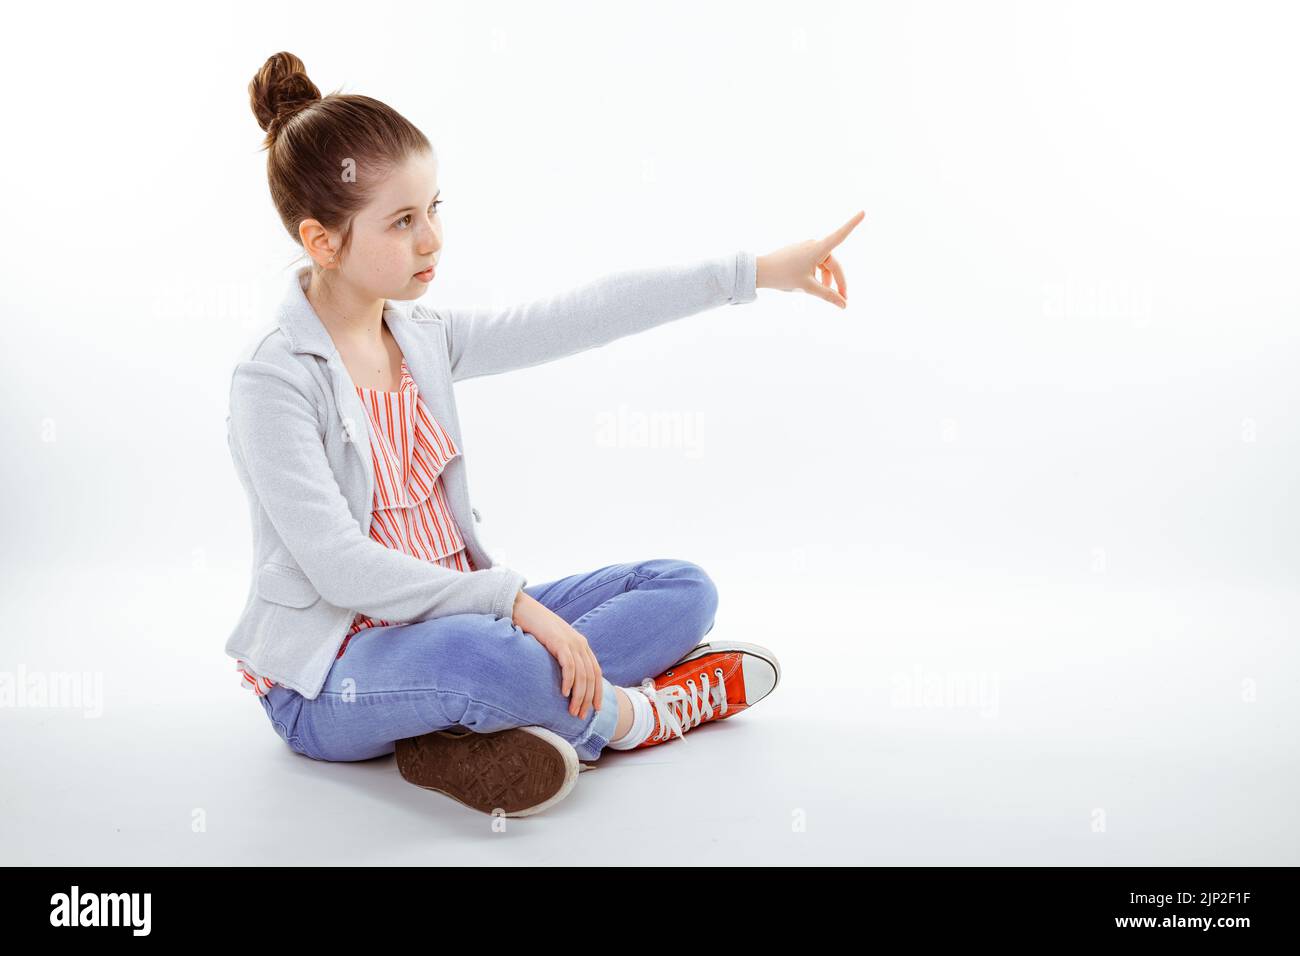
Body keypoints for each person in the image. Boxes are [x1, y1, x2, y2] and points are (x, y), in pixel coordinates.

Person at [229, 51, 862, 818]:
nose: (432, 239)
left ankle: (471, 730)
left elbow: (581, 315)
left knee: (682, 589)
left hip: (470, 622)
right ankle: (640, 717)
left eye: (434, 208)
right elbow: (340, 568)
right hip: (333, 678)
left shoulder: (423, 337)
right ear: (323, 242)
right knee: (483, 653)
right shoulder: (275, 379)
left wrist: (753, 272)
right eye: (402, 221)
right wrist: (519, 607)